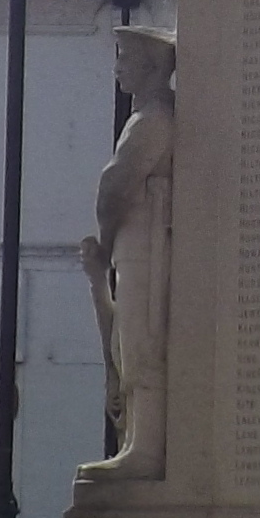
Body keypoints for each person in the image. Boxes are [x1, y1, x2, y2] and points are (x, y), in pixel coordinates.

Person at [78, 30, 177, 480]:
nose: (118, 67)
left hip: (143, 241)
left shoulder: (153, 119)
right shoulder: (146, 117)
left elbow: (114, 188)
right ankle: (137, 439)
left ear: (154, 67)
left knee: (140, 339)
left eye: (127, 58)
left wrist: (105, 237)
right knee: (128, 339)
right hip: (132, 243)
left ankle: (146, 447)